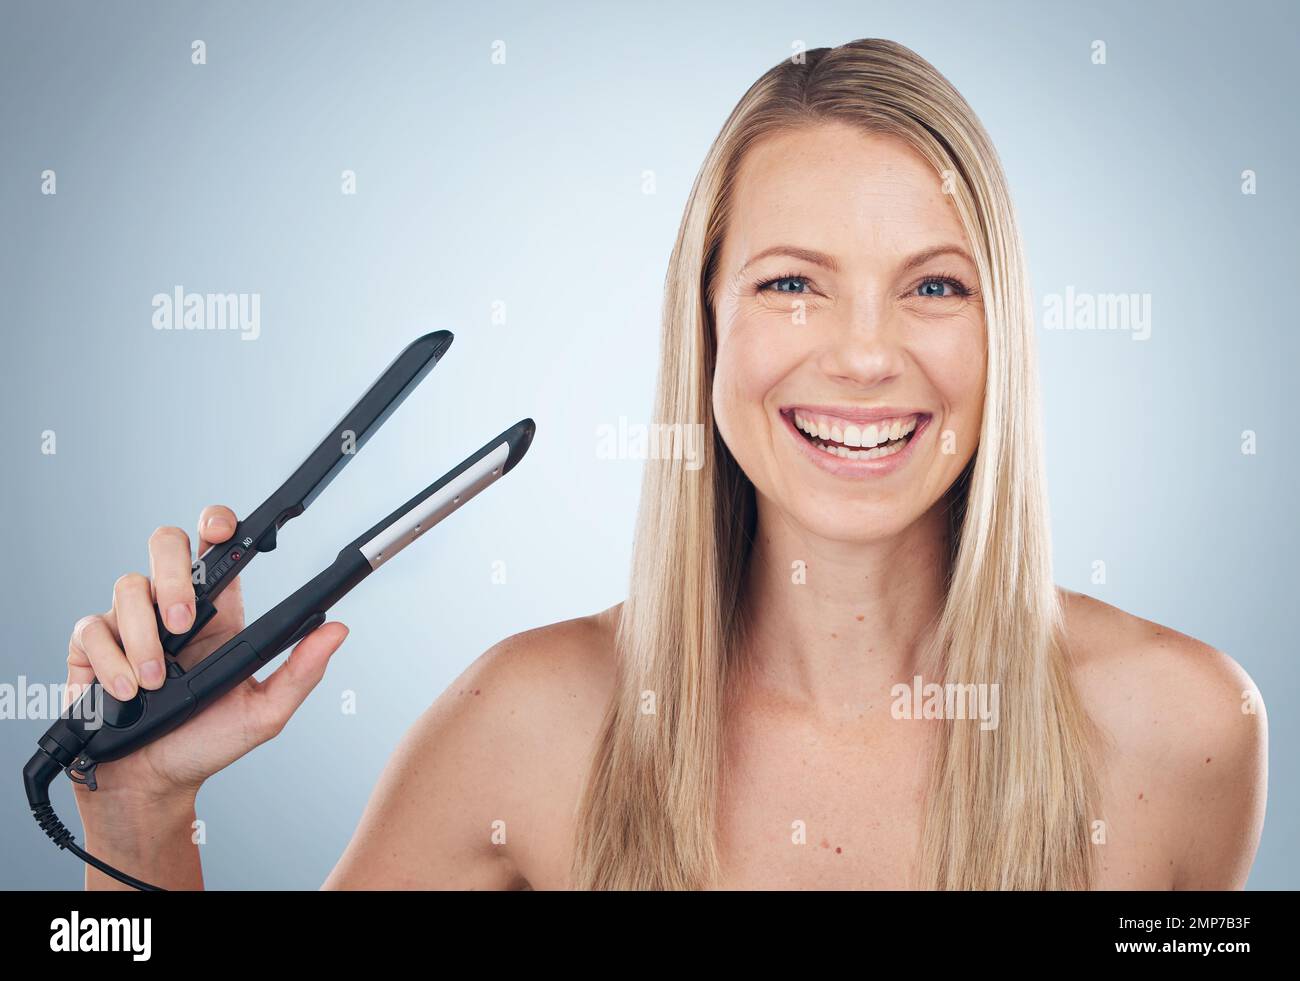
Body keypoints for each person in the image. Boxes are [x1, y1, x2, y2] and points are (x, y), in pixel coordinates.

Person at [70, 38, 1266, 890]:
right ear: (704, 329)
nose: (863, 354)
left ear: (1002, 330)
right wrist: (139, 815)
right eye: (791, 283)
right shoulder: (527, 728)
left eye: (934, 285)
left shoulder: (1183, 729)